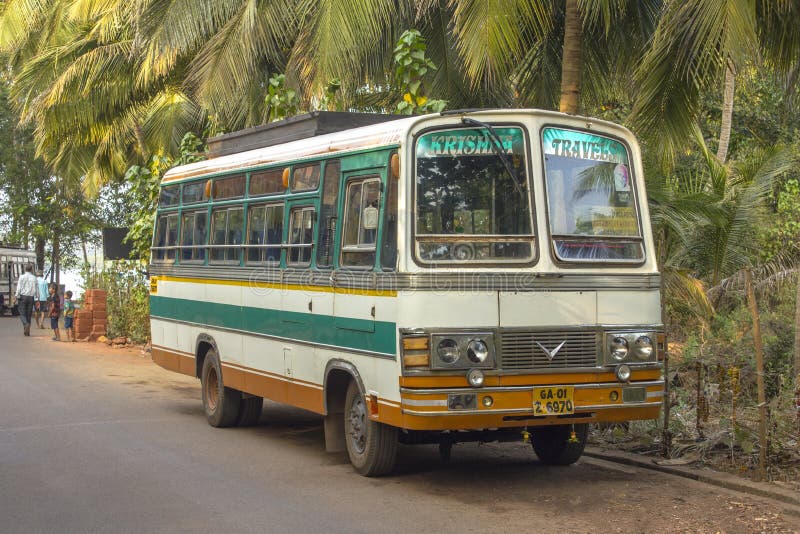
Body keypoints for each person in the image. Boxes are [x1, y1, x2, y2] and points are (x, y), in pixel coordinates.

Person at [14, 264, 38, 336]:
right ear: (31, 270)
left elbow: (19, 287)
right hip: (31, 298)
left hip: (23, 297)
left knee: (22, 313)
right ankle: (27, 331)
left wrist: (16, 296)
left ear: (25, 269)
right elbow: (36, 289)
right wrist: (37, 299)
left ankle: (26, 324)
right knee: (28, 314)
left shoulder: (22, 277)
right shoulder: (34, 278)